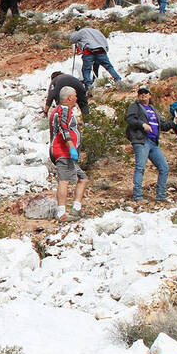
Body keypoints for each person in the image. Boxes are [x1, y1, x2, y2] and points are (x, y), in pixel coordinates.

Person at [126, 86, 174, 202]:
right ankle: (138, 196)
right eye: (141, 93)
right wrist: (143, 125)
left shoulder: (153, 109)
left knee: (164, 167)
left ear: (150, 95)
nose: (143, 95)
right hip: (141, 141)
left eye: (146, 93)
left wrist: (173, 123)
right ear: (138, 96)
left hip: (153, 143)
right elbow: (130, 119)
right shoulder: (135, 107)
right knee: (140, 168)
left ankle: (161, 196)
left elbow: (162, 126)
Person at [49, 87, 88, 221]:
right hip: (63, 151)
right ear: (70, 97)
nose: (77, 98)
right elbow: (63, 128)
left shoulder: (62, 110)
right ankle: (61, 213)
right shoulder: (63, 110)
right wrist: (71, 147)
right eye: (75, 96)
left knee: (83, 178)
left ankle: (76, 209)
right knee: (64, 181)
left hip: (66, 153)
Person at [70, 25, 122, 90]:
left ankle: (88, 86)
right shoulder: (97, 31)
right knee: (108, 66)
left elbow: (72, 39)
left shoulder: (82, 31)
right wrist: (105, 49)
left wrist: (76, 32)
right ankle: (118, 79)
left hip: (89, 52)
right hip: (100, 51)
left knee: (86, 69)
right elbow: (104, 40)